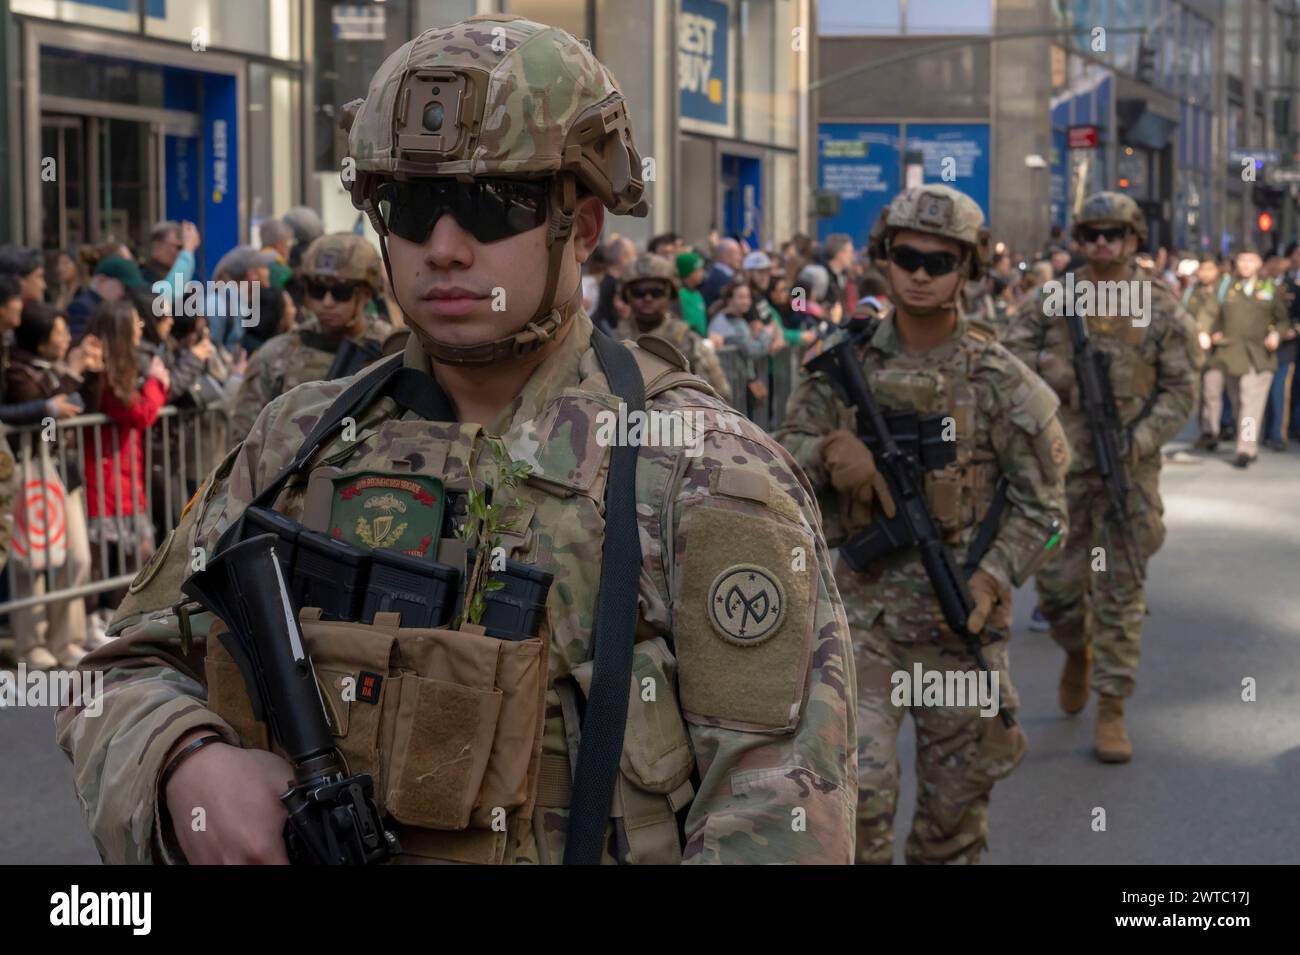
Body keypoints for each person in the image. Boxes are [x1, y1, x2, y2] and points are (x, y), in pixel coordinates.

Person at [58, 13, 855, 867]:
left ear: (581, 226)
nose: (443, 247)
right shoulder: (298, 438)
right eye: (413, 206)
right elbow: (120, 670)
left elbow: (783, 816)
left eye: (489, 205)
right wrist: (188, 761)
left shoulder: (702, 474)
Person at [777, 184, 1070, 864]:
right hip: (860, 621)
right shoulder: (840, 368)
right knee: (857, 804)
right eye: (906, 256)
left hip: (957, 624)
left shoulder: (1000, 380)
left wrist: (996, 576)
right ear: (884, 257)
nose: (919, 272)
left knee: (951, 823)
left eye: (940, 262)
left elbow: (1049, 511)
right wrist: (825, 453)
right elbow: (774, 464)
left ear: (967, 269)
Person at [1004, 191, 1199, 763]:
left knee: (1120, 592)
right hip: (1061, 469)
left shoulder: (1159, 307)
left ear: (1135, 239)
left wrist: (1139, 439)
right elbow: (1006, 359)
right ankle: (1075, 651)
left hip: (1127, 472)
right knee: (1058, 589)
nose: (1102, 245)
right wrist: (1051, 371)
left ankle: (1112, 708)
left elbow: (1181, 388)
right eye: (1091, 234)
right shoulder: (1056, 298)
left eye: (1114, 234)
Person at [228, 233, 399, 443]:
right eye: (317, 290)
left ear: (365, 294)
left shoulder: (391, 350)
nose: (327, 302)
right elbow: (244, 441)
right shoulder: (277, 356)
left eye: (340, 292)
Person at [5, 302, 103, 668]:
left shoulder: (58, 370)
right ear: (41, 340)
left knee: (76, 557)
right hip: (31, 473)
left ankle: (68, 639)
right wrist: (71, 374)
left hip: (64, 473)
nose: (66, 338)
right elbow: (39, 404)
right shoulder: (18, 371)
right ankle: (31, 645)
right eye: (59, 332)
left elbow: (81, 407)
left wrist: (90, 374)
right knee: (33, 559)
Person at [81, 298, 170, 637]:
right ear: (121, 328)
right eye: (135, 322)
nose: (141, 327)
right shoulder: (101, 372)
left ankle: (120, 616)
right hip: (103, 477)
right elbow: (139, 413)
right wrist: (156, 383)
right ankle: (92, 620)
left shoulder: (124, 367)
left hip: (125, 476)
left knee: (139, 551)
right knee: (97, 558)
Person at [1195, 247, 1290, 467]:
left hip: (1259, 356)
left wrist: (1277, 333)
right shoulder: (1225, 287)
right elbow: (1209, 312)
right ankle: (1247, 438)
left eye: (1251, 260)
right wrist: (1203, 332)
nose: (1246, 264)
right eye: (1242, 260)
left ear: (1259, 264)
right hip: (1231, 355)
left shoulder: (1269, 287)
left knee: (1250, 402)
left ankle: (1246, 448)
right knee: (1239, 403)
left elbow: (1283, 318)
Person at [613, 253, 731, 404]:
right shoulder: (613, 341)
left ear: (669, 294)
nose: (647, 299)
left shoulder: (687, 341)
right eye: (639, 293)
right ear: (627, 296)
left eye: (656, 292)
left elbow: (720, 397)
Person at [66, 256, 146, 339]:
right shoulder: (82, 307)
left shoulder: (112, 307)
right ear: (102, 280)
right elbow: (79, 341)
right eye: (124, 287)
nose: (124, 293)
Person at [138, 220, 200, 299]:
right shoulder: (143, 277)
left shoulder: (185, 282)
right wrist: (188, 250)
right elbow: (166, 298)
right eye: (179, 247)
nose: (181, 253)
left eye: (183, 248)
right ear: (158, 246)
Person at [699, 237, 742, 306]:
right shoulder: (720, 278)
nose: (740, 258)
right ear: (724, 255)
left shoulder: (715, 272)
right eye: (736, 253)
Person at [674, 250, 708, 337]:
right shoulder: (680, 295)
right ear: (688, 273)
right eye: (698, 270)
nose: (702, 272)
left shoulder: (697, 294)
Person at [258, 218, 295, 290]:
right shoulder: (280, 268)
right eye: (288, 242)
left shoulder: (255, 261)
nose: (289, 247)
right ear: (279, 244)